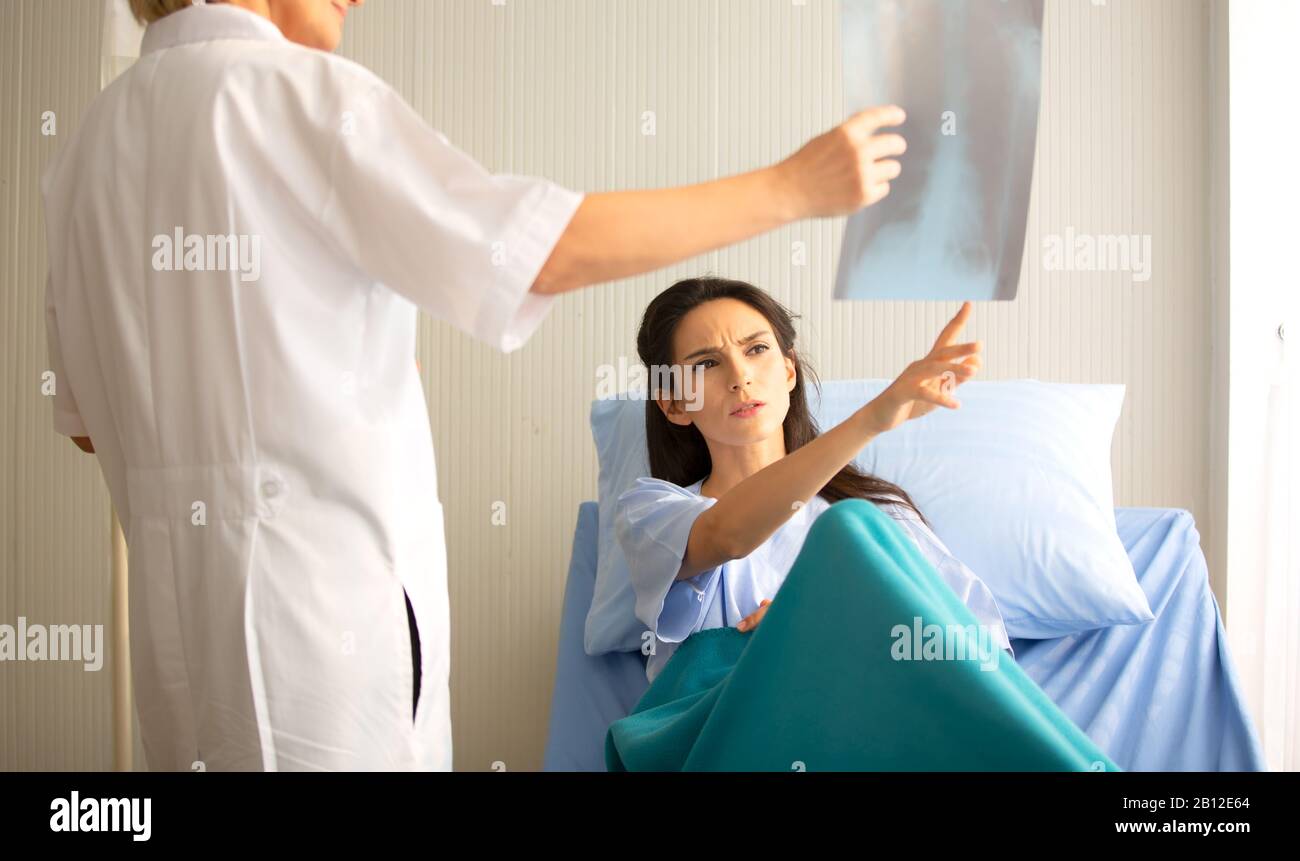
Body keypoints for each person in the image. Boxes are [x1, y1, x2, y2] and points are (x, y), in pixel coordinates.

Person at [43, 0, 907, 770]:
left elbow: (94, 419)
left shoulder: (88, 146)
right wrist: (793, 186)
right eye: (709, 362)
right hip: (321, 644)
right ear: (672, 396)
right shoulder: (295, 93)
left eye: (758, 352)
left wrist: (327, 373)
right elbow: (540, 251)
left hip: (183, 650)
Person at [610, 278, 1010, 684]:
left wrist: (834, 631)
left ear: (788, 371)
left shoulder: (876, 517)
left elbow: (984, 656)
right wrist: (871, 420)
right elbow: (727, 536)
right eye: (706, 363)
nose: (740, 376)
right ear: (675, 404)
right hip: (728, 737)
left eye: (757, 349)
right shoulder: (651, 513)